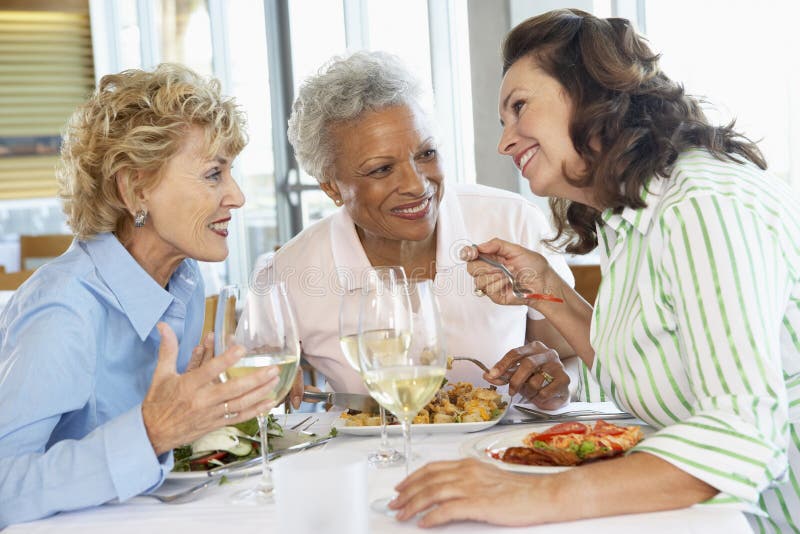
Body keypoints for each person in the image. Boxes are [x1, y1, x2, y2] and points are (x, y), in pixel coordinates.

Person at [390, 9, 799, 531]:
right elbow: (643, 370)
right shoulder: (635, 215)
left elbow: (742, 433)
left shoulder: (704, 204)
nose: (505, 142)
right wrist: (547, 290)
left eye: (519, 108)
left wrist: (525, 496)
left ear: (591, 92)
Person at [0, 64, 281, 527]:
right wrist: (152, 433)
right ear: (135, 189)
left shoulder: (186, 281)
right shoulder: (63, 308)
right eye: (214, 174)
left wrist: (202, 414)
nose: (237, 196)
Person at [258, 50, 577, 408]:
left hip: (501, 453)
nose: (416, 185)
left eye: (425, 154)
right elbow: (259, 376)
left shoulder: (511, 220)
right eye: (381, 169)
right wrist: (269, 389)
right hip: (368, 462)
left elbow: (568, 355)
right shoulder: (289, 273)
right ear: (331, 187)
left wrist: (556, 385)